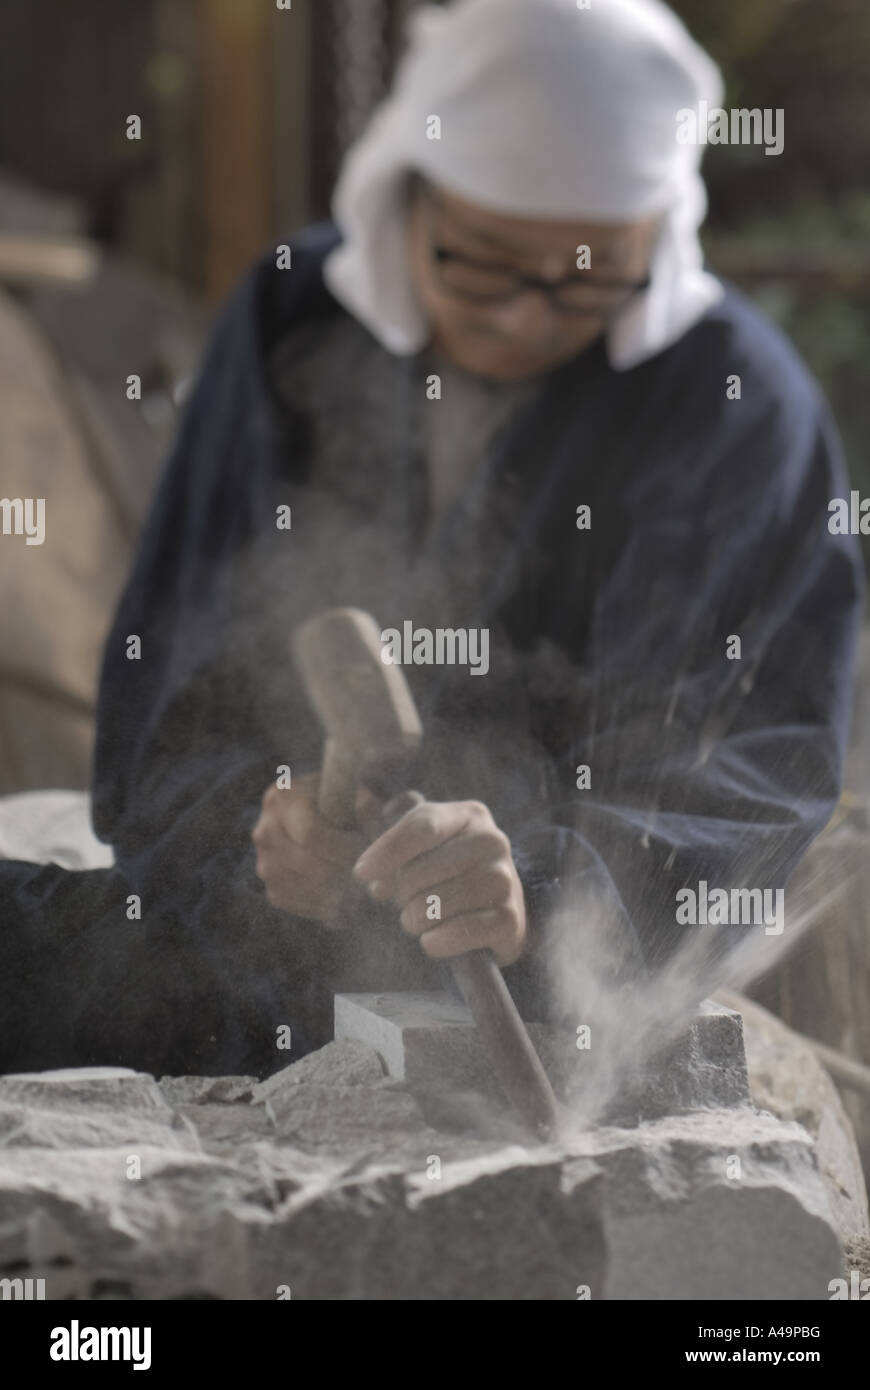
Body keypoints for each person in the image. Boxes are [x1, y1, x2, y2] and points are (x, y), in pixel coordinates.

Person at [0, 0, 863, 1078]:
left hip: (538, 995)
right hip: (257, 941)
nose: (526, 317)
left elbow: (765, 771)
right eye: (484, 262)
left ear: (660, 238)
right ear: (406, 196)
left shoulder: (735, 407)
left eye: (590, 276)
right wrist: (261, 838)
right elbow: (166, 708)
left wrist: (543, 896)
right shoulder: (294, 321)